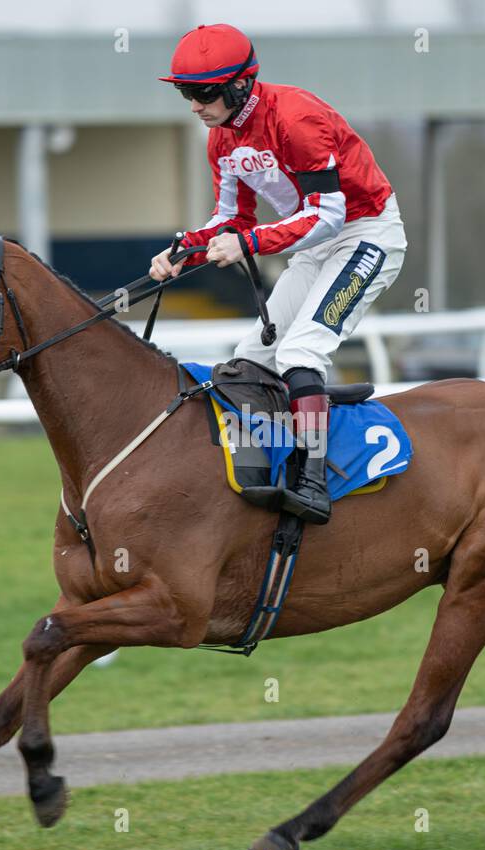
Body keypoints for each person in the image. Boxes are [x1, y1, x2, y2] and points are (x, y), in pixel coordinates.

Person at [150, 23, 407, 525]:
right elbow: (231, 221)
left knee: (298, 352)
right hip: (314, 248)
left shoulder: (297, 118)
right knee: (250, 360)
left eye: (203, 93)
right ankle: (267, 469)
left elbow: (328, 215)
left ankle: (313, 483)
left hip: (365, 234)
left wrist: (245, 243)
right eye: (186, 93)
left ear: (240, 84)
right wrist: (187, 250)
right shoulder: (220, 139)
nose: (195, 105)